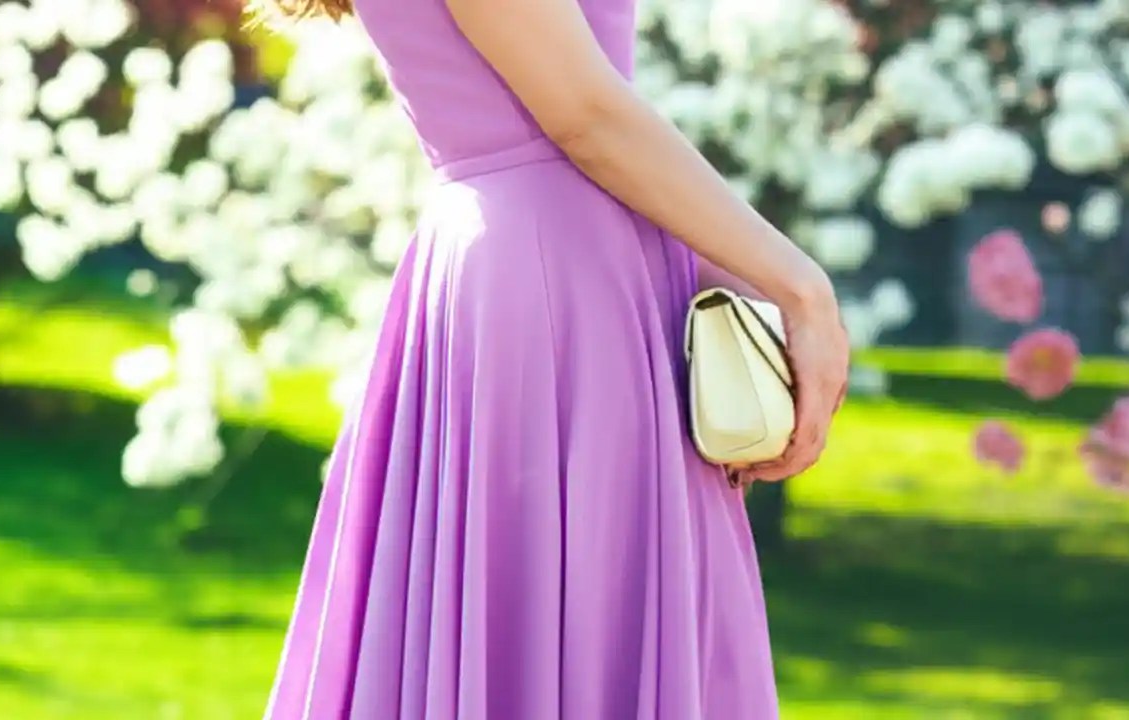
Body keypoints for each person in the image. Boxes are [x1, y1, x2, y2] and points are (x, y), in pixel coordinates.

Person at [257, 0, 850, 716]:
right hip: (557, 295)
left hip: (564, 276)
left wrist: (732, 279)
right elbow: (583, 117)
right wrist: (802, 288)